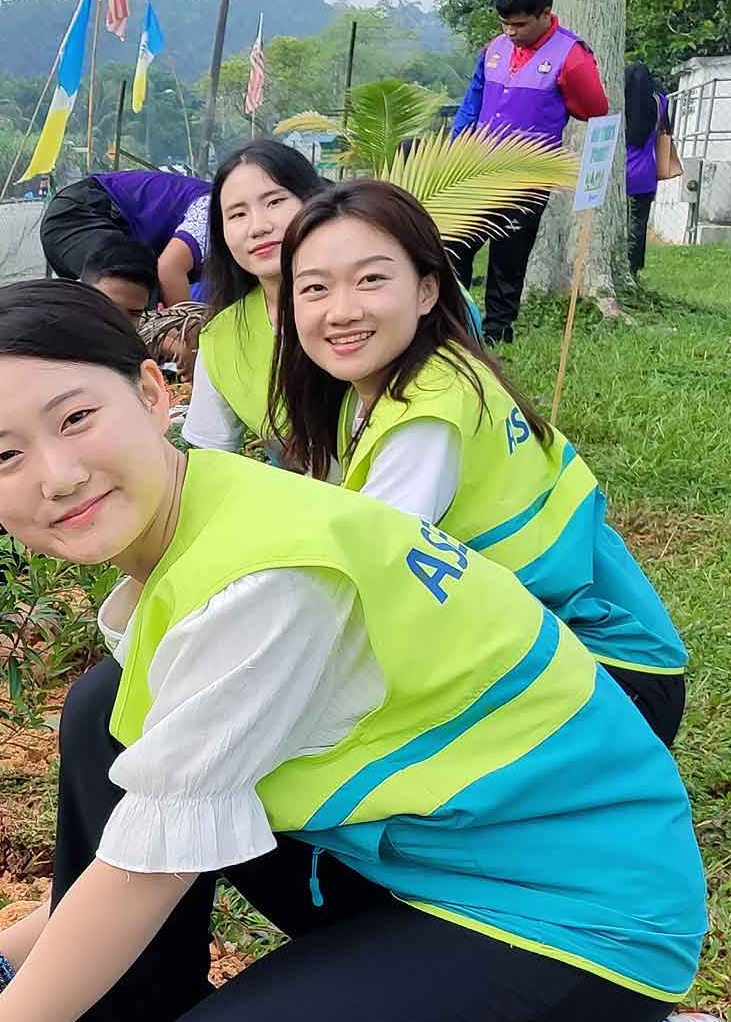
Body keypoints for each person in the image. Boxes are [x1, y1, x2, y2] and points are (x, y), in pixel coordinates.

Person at [0, 280, 731, 1022]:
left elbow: (148, 871)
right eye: (4, 457)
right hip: (447, 860)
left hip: (579, 915)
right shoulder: (202, 525)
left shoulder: (258, 584)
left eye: (75, 418)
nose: (52, 476)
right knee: (112, 713)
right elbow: (160, 826)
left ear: (153, 392)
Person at [275, 178, 687, 744]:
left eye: (371, 279)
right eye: (315, 288)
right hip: (579, 658)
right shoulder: (394, 385)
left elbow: (352, 584)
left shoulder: (429, 413)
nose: (341, 311)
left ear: (426, 290)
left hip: (608, 684)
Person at [445, 0, 610, 345]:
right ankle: (455, 327)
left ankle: (497, 333)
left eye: (519, 24)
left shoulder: (572, 56)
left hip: (528, 177)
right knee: (455, 247)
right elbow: (472, 101)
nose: (511, 32)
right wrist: (456, 149)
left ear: (545, 14)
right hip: (478, 168)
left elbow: (594, 108)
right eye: (504, 24)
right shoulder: (494, 48)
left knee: (509, 258)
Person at [183, 137, 329, 458]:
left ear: (314, 202)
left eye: (274, 202)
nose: (258, 227)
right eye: (237, 215)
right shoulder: (222, 338)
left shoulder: (373, 303)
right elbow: (213, 461)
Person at [39, 168, 212, 309]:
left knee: (135, 303)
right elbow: (168, 269)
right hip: (83, 212)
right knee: (127, 293)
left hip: (105, 235)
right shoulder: (216, 208)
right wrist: (186, 338)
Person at [623, 62, 671, 278]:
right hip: (646, 174)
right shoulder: (659, 102)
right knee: (639, 225)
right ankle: (633, 268)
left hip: (621, 173)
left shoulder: (621, 102)